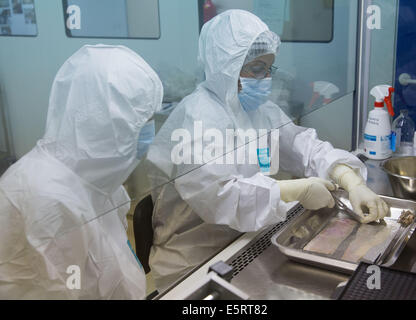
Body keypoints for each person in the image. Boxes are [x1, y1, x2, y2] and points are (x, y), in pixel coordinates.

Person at [146, 10, 389, 292]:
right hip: (193, 263)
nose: (266, 80)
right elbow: (220, 196)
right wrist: (295, 190)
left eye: (268, 69)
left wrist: (351, 180)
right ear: (227, 66)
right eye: (257, 68)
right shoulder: (198, 117)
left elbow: (303, 146)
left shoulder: (257, 110)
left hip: (244, 239)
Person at [0, 45, 163, 299]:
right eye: (141, 122)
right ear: (102, 121)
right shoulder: (47, 200)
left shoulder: (99, 182)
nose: (149, 131)